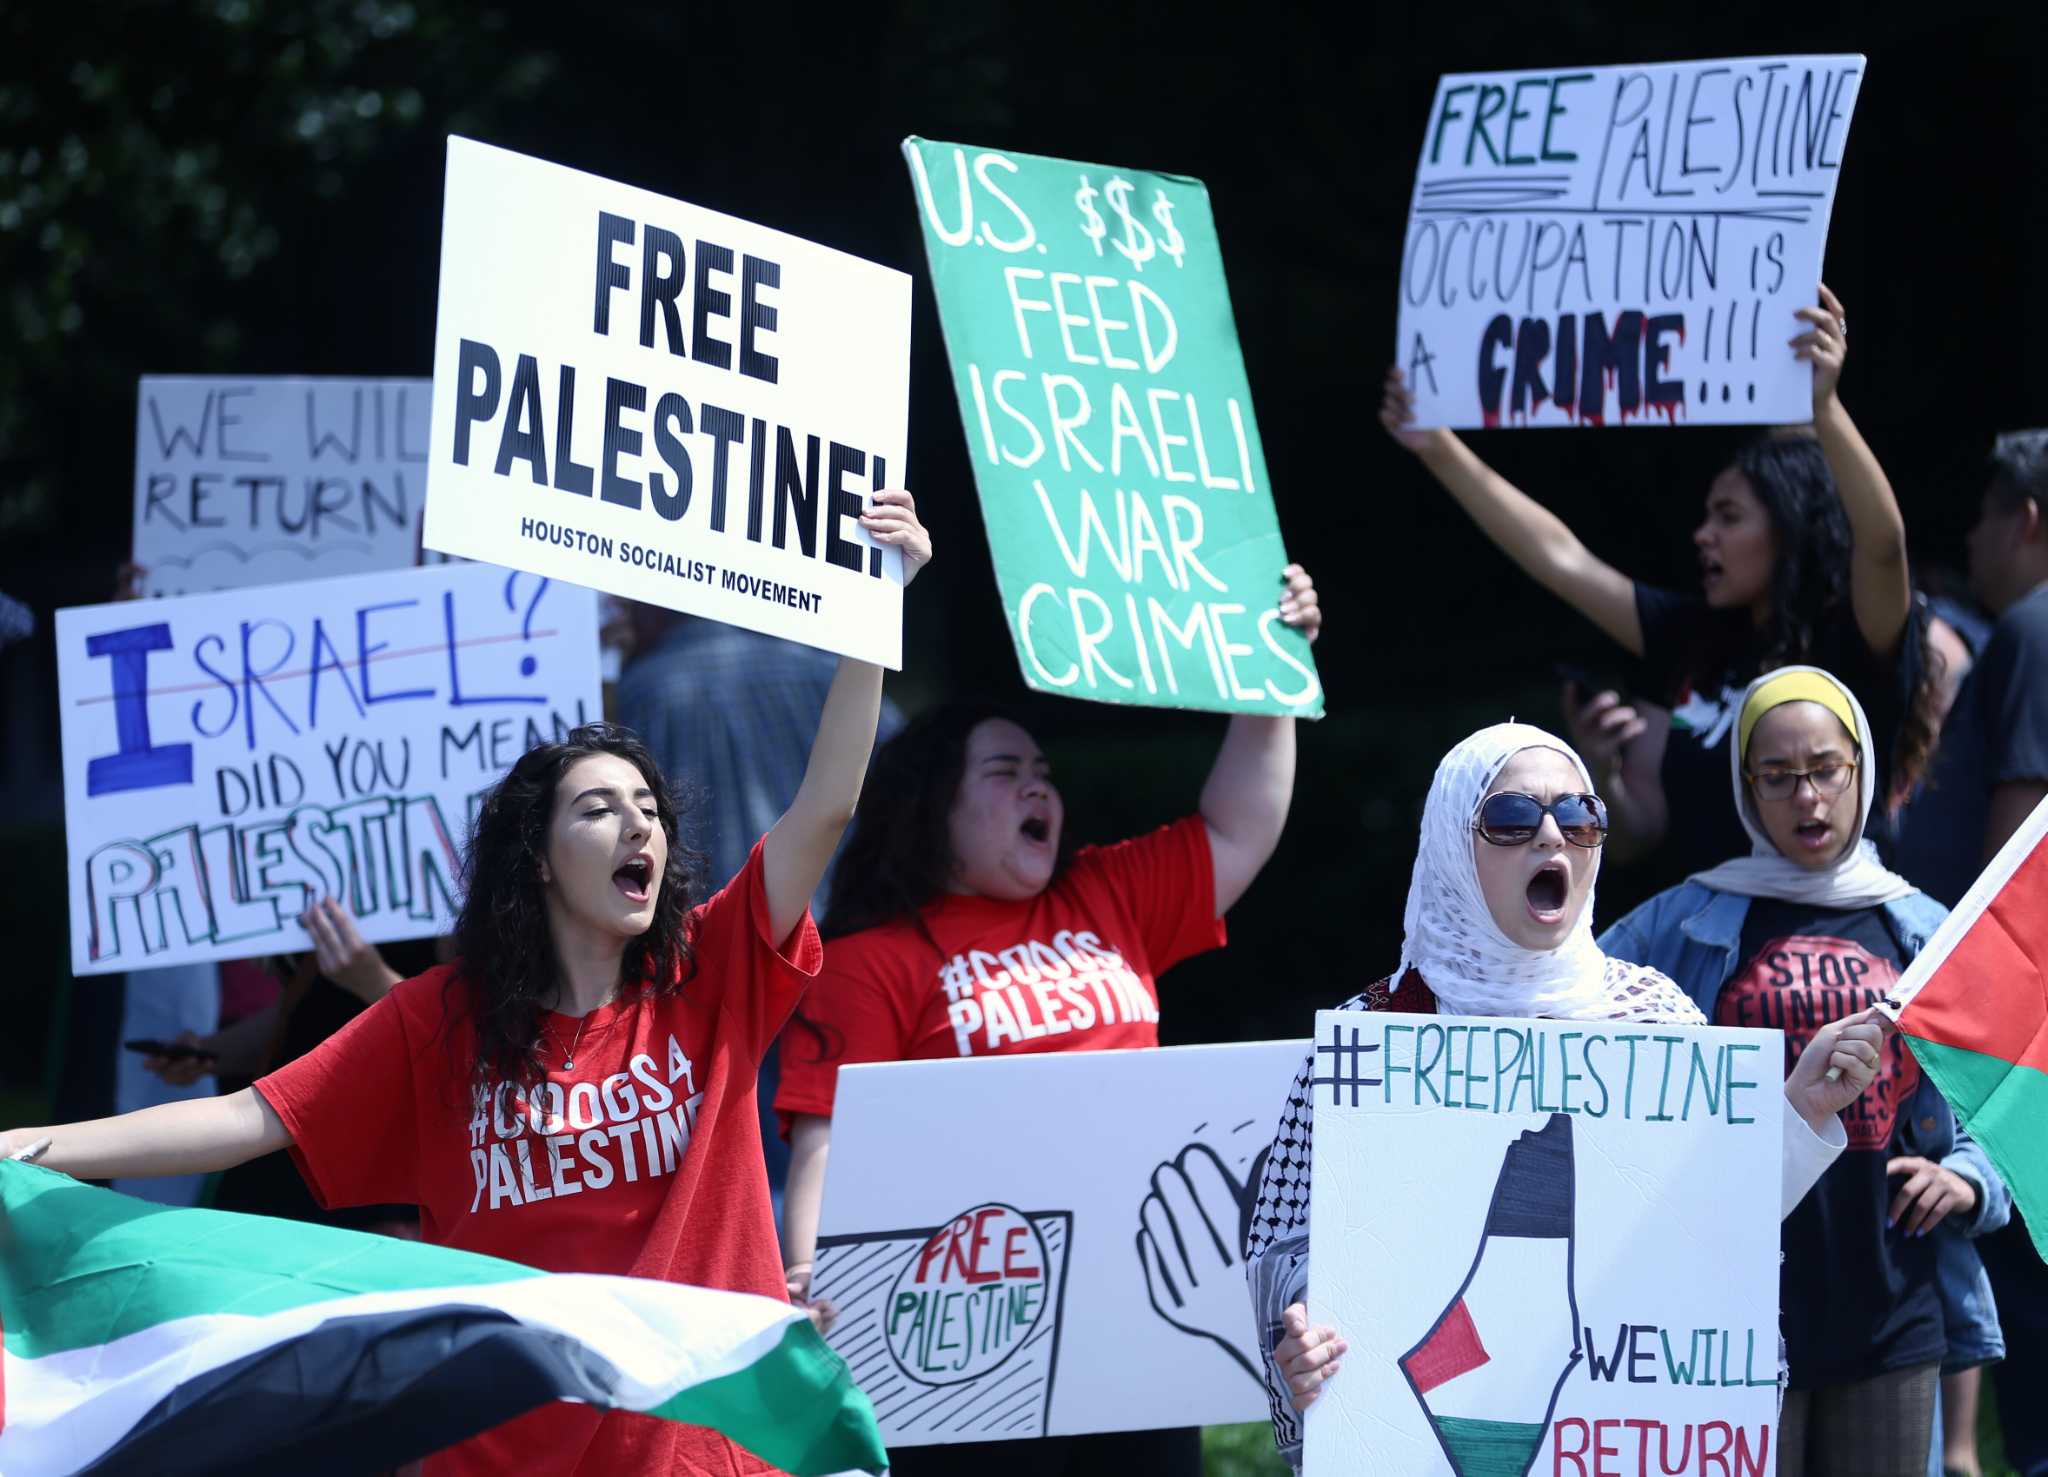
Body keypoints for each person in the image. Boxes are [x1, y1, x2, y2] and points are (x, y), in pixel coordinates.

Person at [0, 489, 932, 1476]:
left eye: (649, 809)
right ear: (537, 857)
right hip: (497, 1455)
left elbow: (826, 806)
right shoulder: (445, 1015)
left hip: (695, 1454)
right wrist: (24, 1146)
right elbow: (250, 1119)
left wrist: (879, 600)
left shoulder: (709, 970)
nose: (639, 827)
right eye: (600, 809)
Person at [774, 564, 1322, 1477]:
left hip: (1137, 1317)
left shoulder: (1108, 893)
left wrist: (1274, 670)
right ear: (934, 804)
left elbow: (1242, 826)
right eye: (1006, 772)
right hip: (972, 1328)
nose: (1040, 789)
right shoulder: (873, 959)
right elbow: (828, 1137)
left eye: (1045, 774)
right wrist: (812, 1280)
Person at [1243, 720, 1891, 1471]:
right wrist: (1300, 1346)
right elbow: (1289, 1248)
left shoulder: (1656, 1015)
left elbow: (1709, 1226)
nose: (1552, 837)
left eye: (1580, 816)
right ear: (1457, 843)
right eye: (1514, 818)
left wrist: (1799, 1114)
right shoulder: (1375, 1030)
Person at [1599, 667, 2010, 1477]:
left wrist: (1969, 1177)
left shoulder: (1926, 927)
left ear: (1861, 769)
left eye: (1827, 769)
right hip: (1727, 1308)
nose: (1809, 798)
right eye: (1779, 776)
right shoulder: (1678, 922)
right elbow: (1557, 1014)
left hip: (1892, 1298)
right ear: (1745, 786)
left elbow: (2011, 1086)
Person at [1380, 286, 1939, 880]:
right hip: (1708, 951)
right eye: (1706, 517)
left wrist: (1824, 406)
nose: (1702, 536)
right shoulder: (1690, 639)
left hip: (1832, 951)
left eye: (1728, 517)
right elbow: (1560, 558)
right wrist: (1438, 449)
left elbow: (1883, 545)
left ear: (1792, 530)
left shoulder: (1852, 638)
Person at [613, 606, 904, 1225]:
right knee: (848, 1154)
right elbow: (913, 780)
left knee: (751, 1156)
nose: (615, 614)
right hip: (844, 950)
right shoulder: (829, 672)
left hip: (709, 967)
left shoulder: (642, 693)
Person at [1894, 431, 2048, 1477]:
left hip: (2019, 1027)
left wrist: (1966, 1002)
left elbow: (2021, 850)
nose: (1969, 542)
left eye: (1982, 519)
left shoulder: (2033, 627)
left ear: (2025, 518)